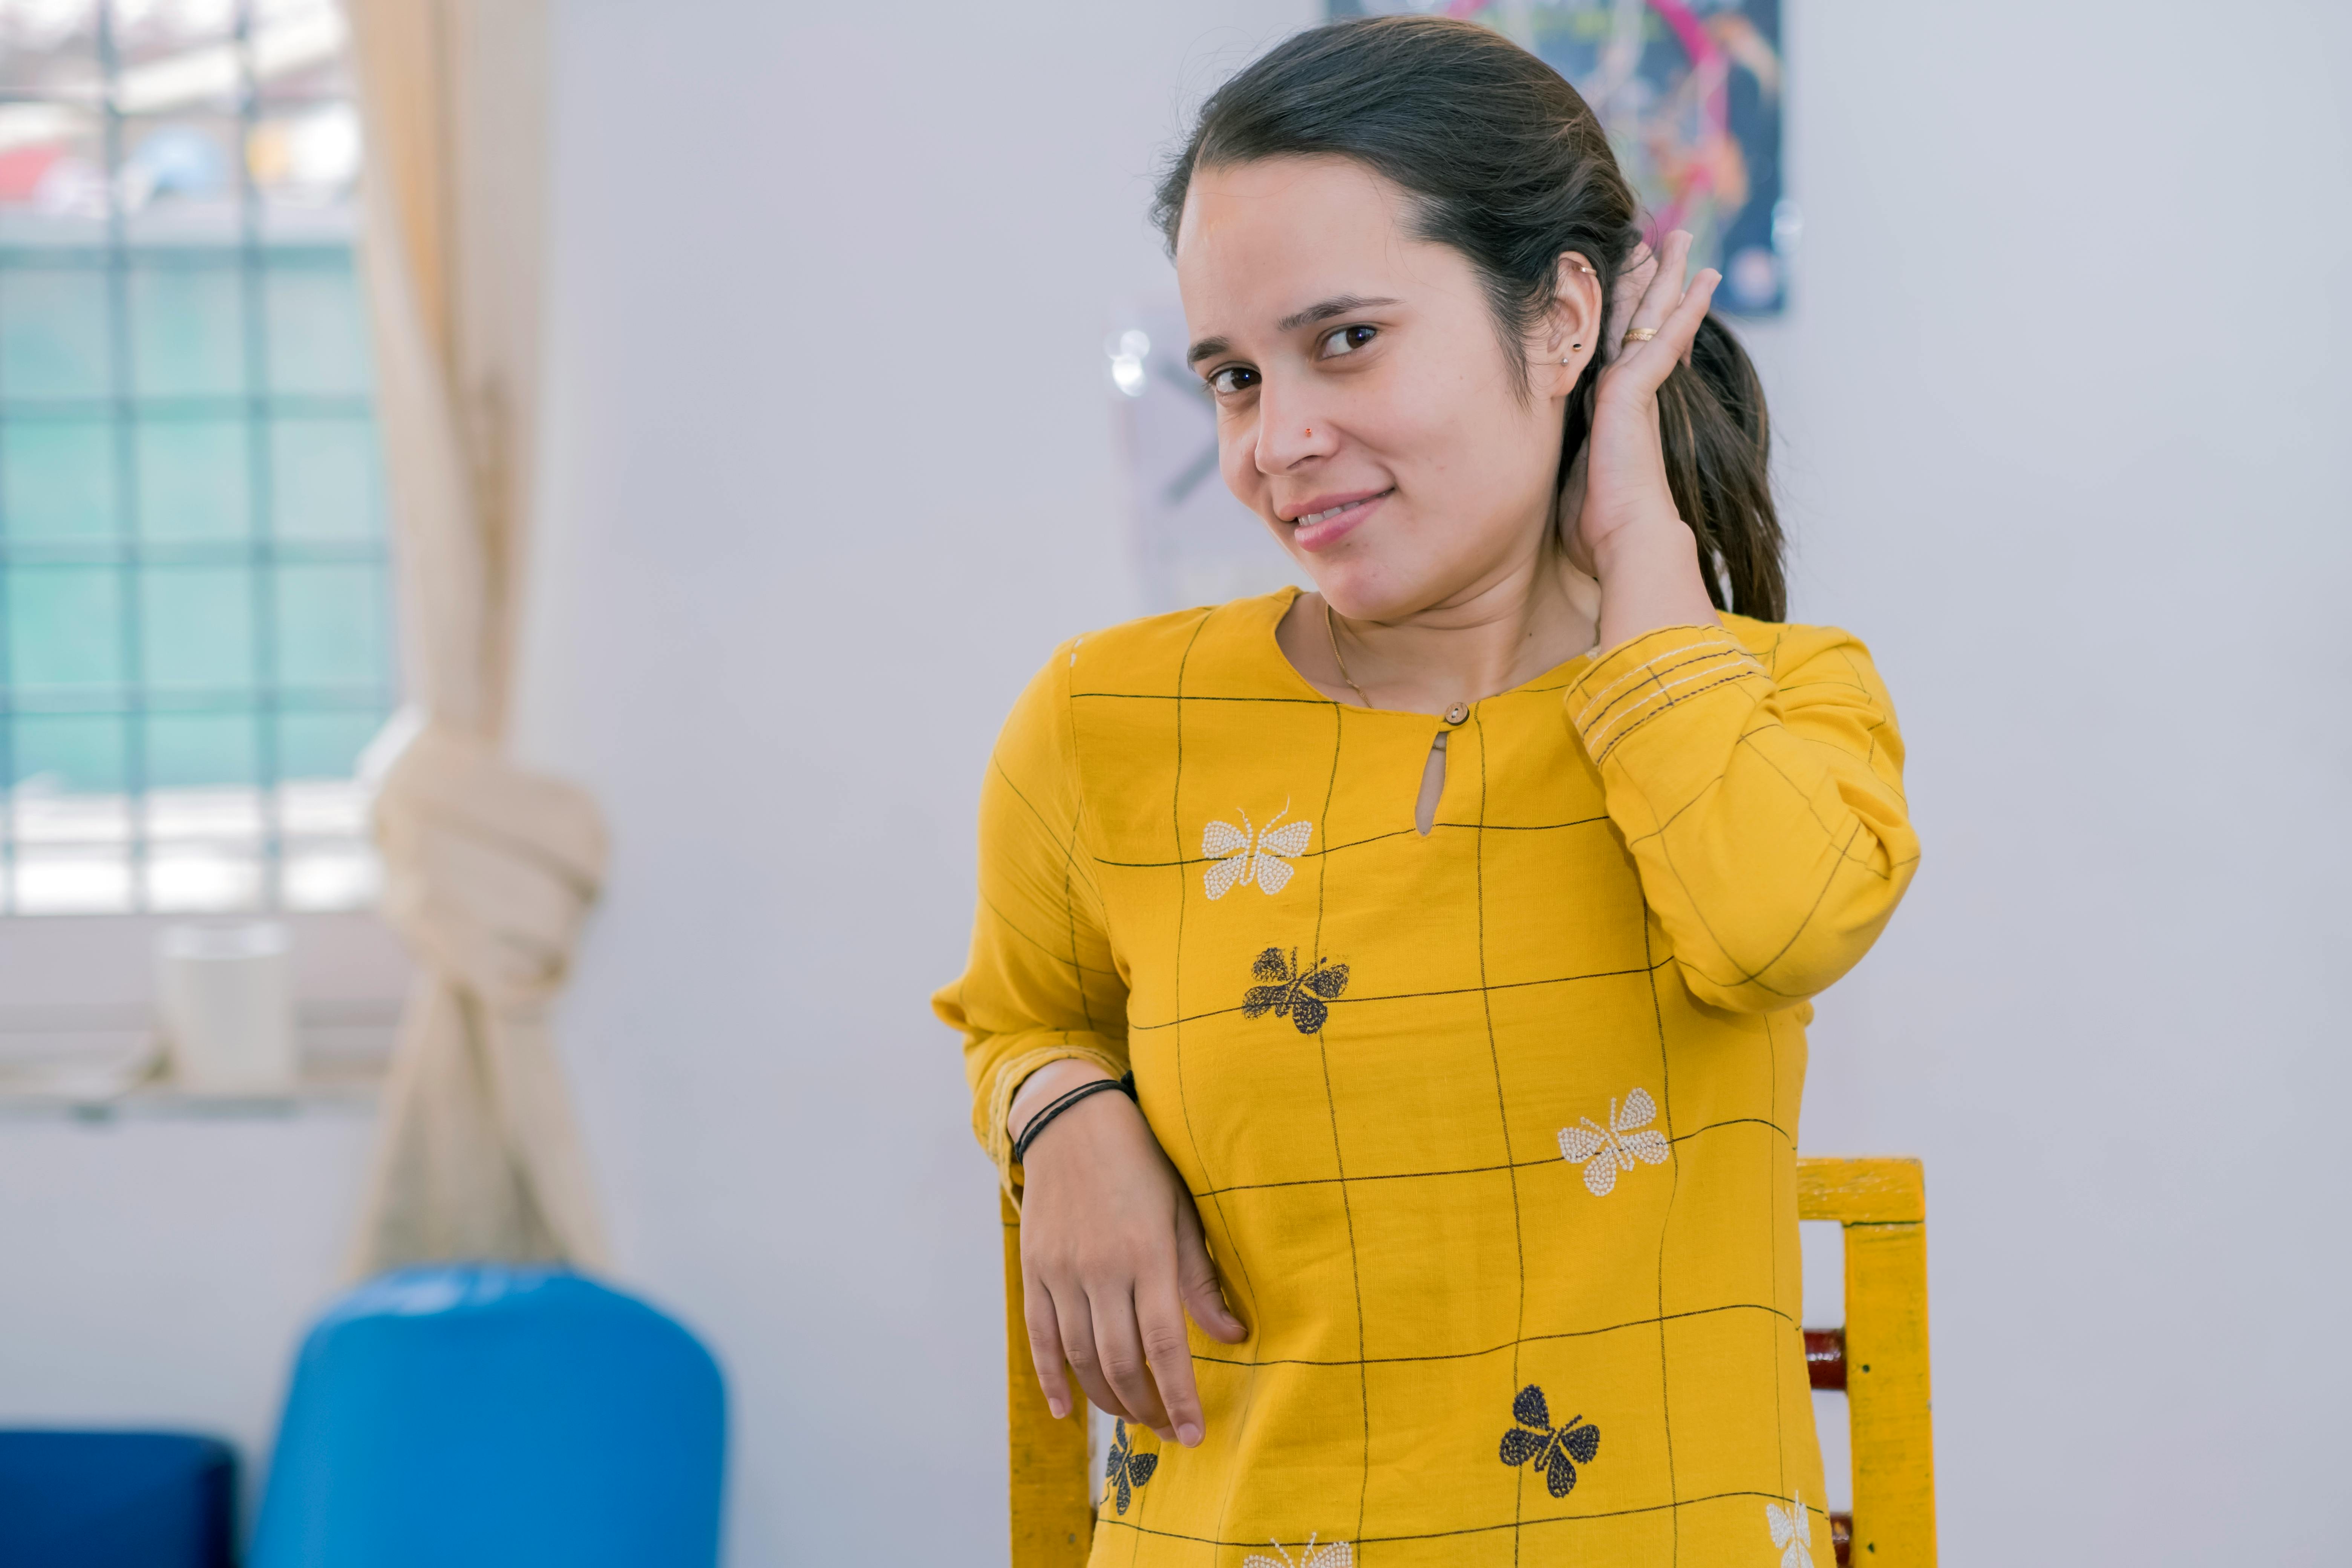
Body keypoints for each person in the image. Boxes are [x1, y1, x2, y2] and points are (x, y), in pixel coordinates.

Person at [933, 15, 1917, 1564]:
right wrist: (1062, 1111)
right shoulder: (1104, 721)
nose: (1276, 444)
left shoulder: (1779, 703)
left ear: (1562, 320)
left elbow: (1769, 930)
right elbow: (1015, 1017)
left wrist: (1644, 549)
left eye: (1345, 340)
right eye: (1234, 376)